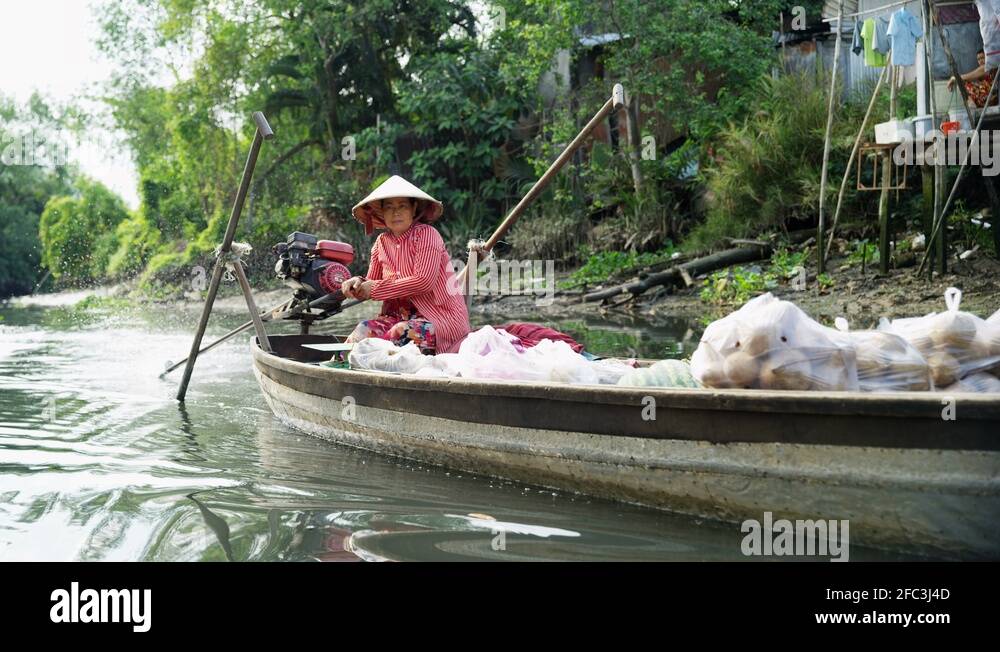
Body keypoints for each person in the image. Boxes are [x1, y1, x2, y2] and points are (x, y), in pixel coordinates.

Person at [340, 175, 470, 355]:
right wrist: (356, 283)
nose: (396, 213)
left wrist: (375, 288)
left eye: (402, 206)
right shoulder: (381, 242)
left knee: (399, 333)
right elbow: (371, 282)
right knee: (363, 329)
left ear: (414, 208)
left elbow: (423, 281)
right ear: (382, 213)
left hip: (440, 319)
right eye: (389, 208)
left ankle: (374, 368)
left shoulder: (427, 235)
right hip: (397, 318)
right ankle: (337, 368)